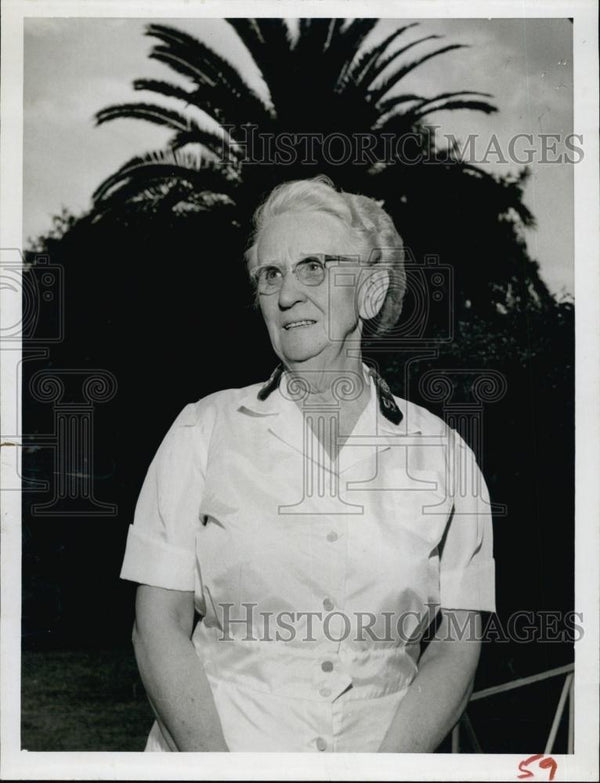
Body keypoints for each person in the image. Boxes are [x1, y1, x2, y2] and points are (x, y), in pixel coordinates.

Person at [119, 175, 495, 753]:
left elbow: (457, 645)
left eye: (313, 267)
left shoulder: (447, 457)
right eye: (270, 274)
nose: (287, 293)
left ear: (369, 290)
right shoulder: (202, 430)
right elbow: (157, 627)